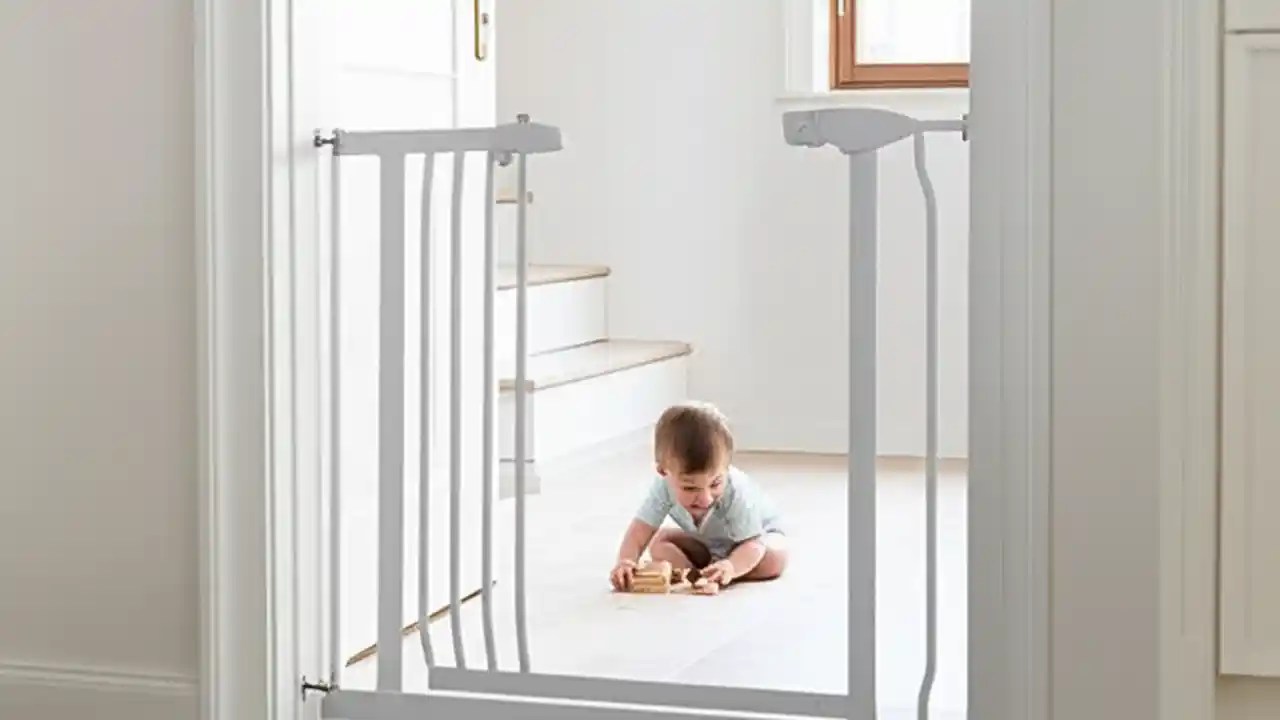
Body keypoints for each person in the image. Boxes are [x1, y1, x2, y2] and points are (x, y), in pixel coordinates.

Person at [609, 401, 788, 592]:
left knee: (774, 560)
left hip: (755, 540)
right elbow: (640, 530)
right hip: (710, 543)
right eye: (689, 488)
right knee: (660, 543)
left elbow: (754, 543)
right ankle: (696, 575)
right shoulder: (663, 487)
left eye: (715, 484)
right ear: (663, 471)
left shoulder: (736, 491)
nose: (706, 499)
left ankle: (721, 573)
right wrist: (626, 561)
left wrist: (731, 567)